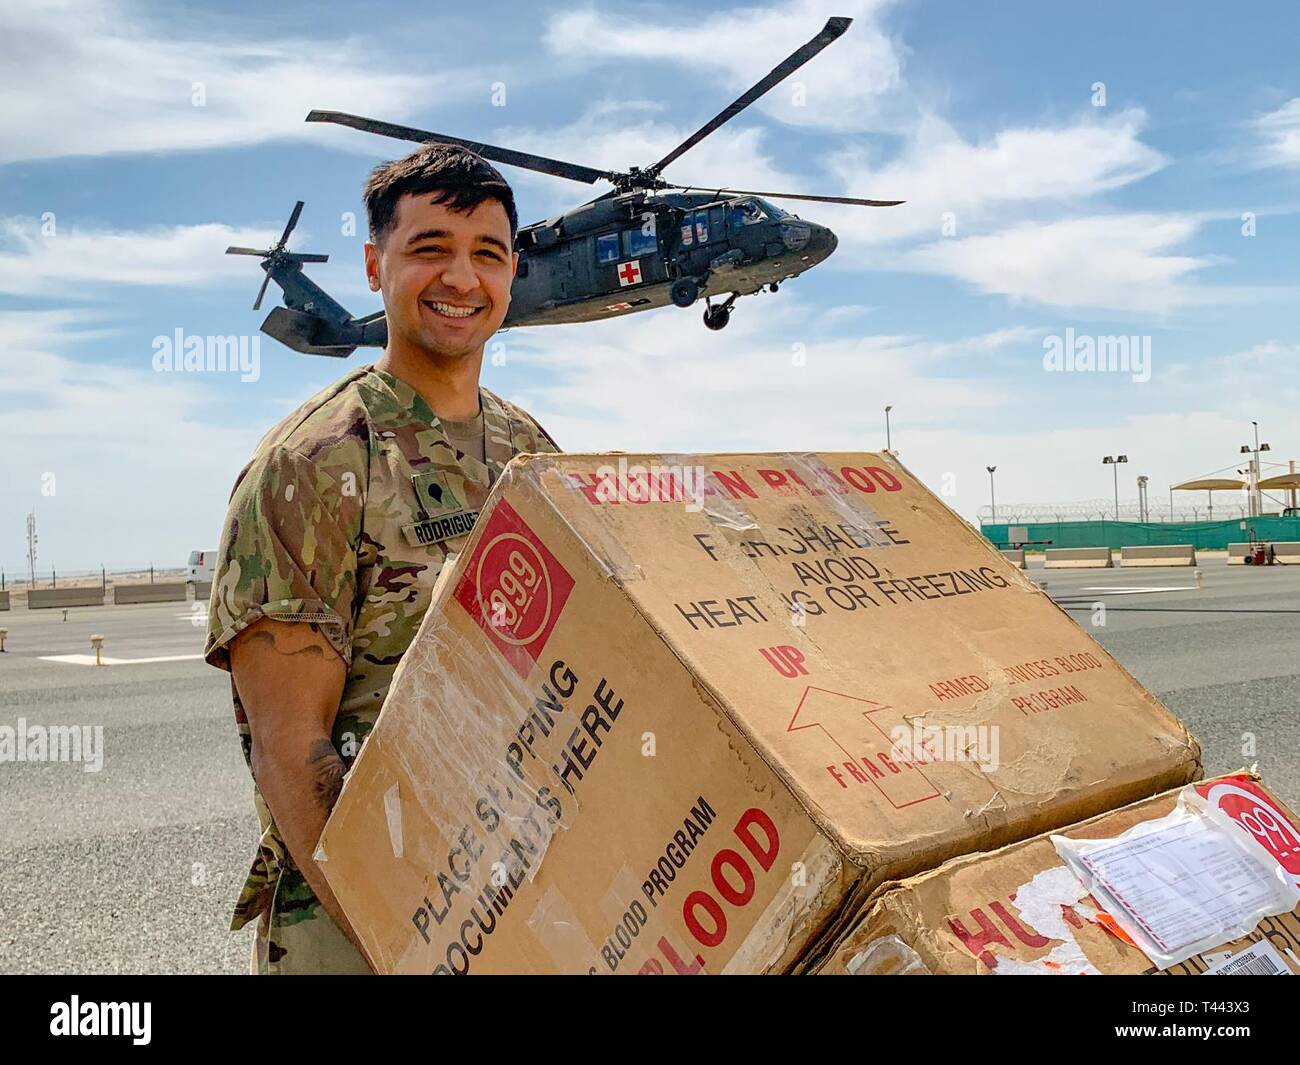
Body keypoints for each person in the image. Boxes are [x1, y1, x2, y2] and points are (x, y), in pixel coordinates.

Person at [203, 143, 559, 973]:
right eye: (429, 249)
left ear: (511, 274)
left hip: (523, 900)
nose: (462, 279)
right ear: (374, 265)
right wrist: (412, 940)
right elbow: (292, 748)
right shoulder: (312, 464)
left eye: (488, 255)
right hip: (362, 929)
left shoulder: (530, 448)